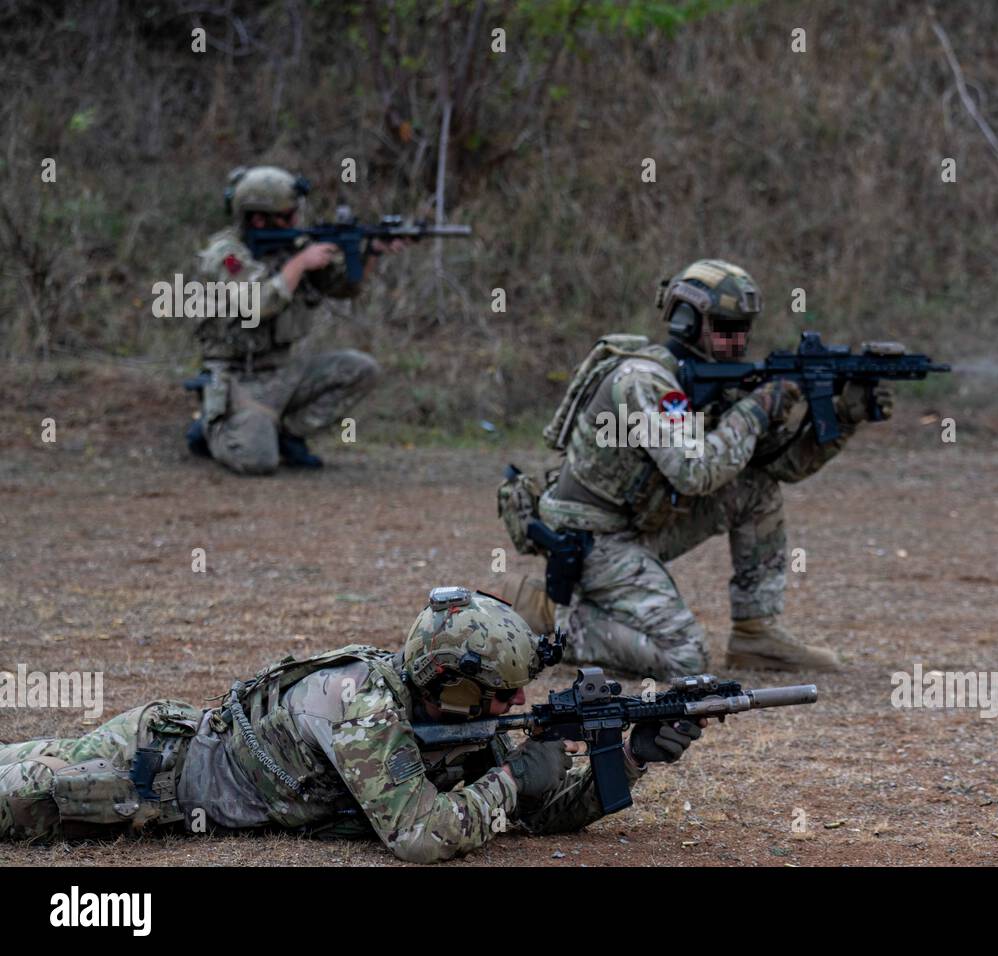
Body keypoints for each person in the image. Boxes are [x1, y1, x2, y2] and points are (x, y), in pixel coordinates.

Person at [0, 588, 703, 863]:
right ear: (446, 683)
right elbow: (419, 836)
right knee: (18, 795)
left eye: (512, 696)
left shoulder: (454, 715)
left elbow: (529, 816)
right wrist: (512, 781)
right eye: (492, 696)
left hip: (177, 774)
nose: (506, 712)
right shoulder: (363, 705)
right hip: (155, 771)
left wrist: (632, 758)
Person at [507, 259, 895, 678]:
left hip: (639, 523)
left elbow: (781, 467)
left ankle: (755, 633)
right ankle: (550, 618)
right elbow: (695, 472)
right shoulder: (643, 380)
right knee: (685, 658)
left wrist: (845, 418)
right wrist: (755, 411)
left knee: (756, 490)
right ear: (688, 322)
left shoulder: (711, 382)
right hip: (593, 539)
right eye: (726, 328)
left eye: (744, 328)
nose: (738, 341)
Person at [186, 165, 399, 474]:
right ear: (258, 219)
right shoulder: (227, 256)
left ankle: (287, 433)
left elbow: (343, 288)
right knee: (256, 461)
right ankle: (212, 430)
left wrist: (370, 251)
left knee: (360, 369)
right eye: (287, 217)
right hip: (239, 377)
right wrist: (300, 264)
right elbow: (256, 304)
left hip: (282, 370)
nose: (296, 222)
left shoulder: (293, 247)